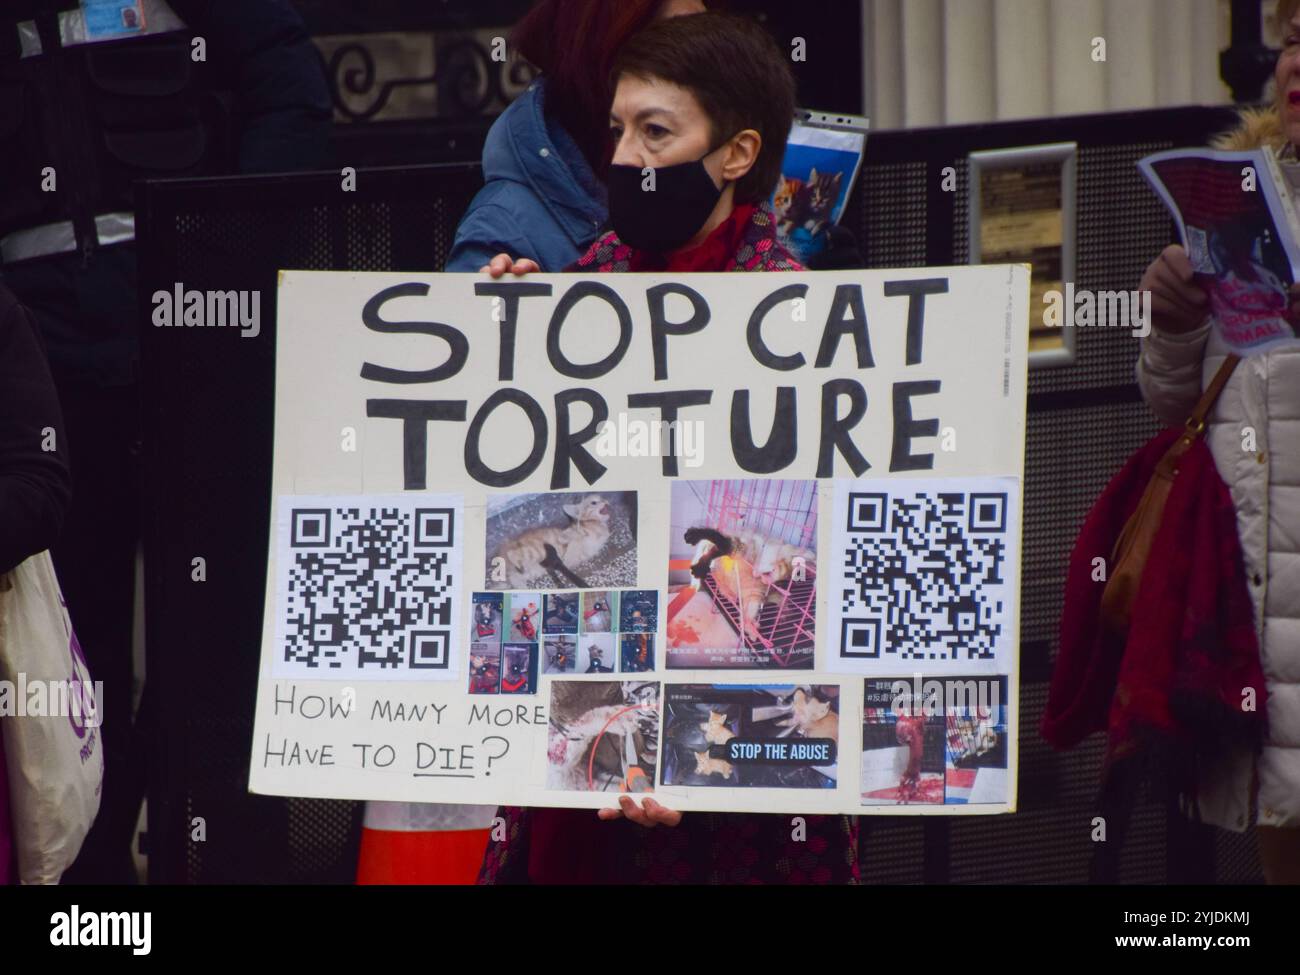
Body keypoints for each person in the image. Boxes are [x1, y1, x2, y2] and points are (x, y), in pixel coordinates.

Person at [475, 11, 859, 883]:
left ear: (735, 152)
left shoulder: (804, 327)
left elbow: (816, 589)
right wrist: (506, 331)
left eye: (657, 131)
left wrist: (684, 742)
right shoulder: (577, 295)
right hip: (589, 764)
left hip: (743, 795)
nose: (626, 157)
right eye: (618, 130)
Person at [0, 0, 333, 882]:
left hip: (197, 334)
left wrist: (234, 253)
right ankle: (93, 893)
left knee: (223, 635)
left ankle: (226, 856)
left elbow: (288, 91)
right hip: (38, 363)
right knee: (68, 649)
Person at [1136, 0, 1300, 884]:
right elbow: (1174, 406)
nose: (1297, 63)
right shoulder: (1245, 194)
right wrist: (1171, 324)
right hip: (1264, 622)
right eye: (1294, 41)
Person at [444, 0, 709, 275]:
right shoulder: (504, 230)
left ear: (740, 153)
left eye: (709, 35)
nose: (711, 71)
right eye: (676, 40)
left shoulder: (739, 208)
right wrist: (521, 308)